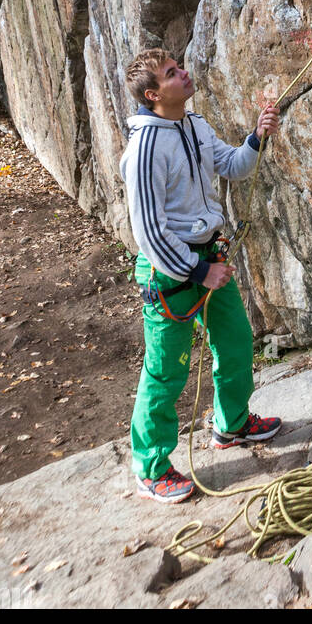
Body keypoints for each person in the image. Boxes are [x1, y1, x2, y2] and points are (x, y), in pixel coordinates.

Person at [120, 49, 281, 504]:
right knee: (166, 371)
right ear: (153, 94)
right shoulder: (144, 150)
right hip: (172, 272)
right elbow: (149, 231)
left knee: (235, 342)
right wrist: (198, 270)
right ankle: (150, 468)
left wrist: (255, 136)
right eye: (172, 73)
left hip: (208, 258)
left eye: (178, 66)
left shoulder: (194, 124)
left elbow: (232, 166)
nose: (184, 73)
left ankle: (231, 425)